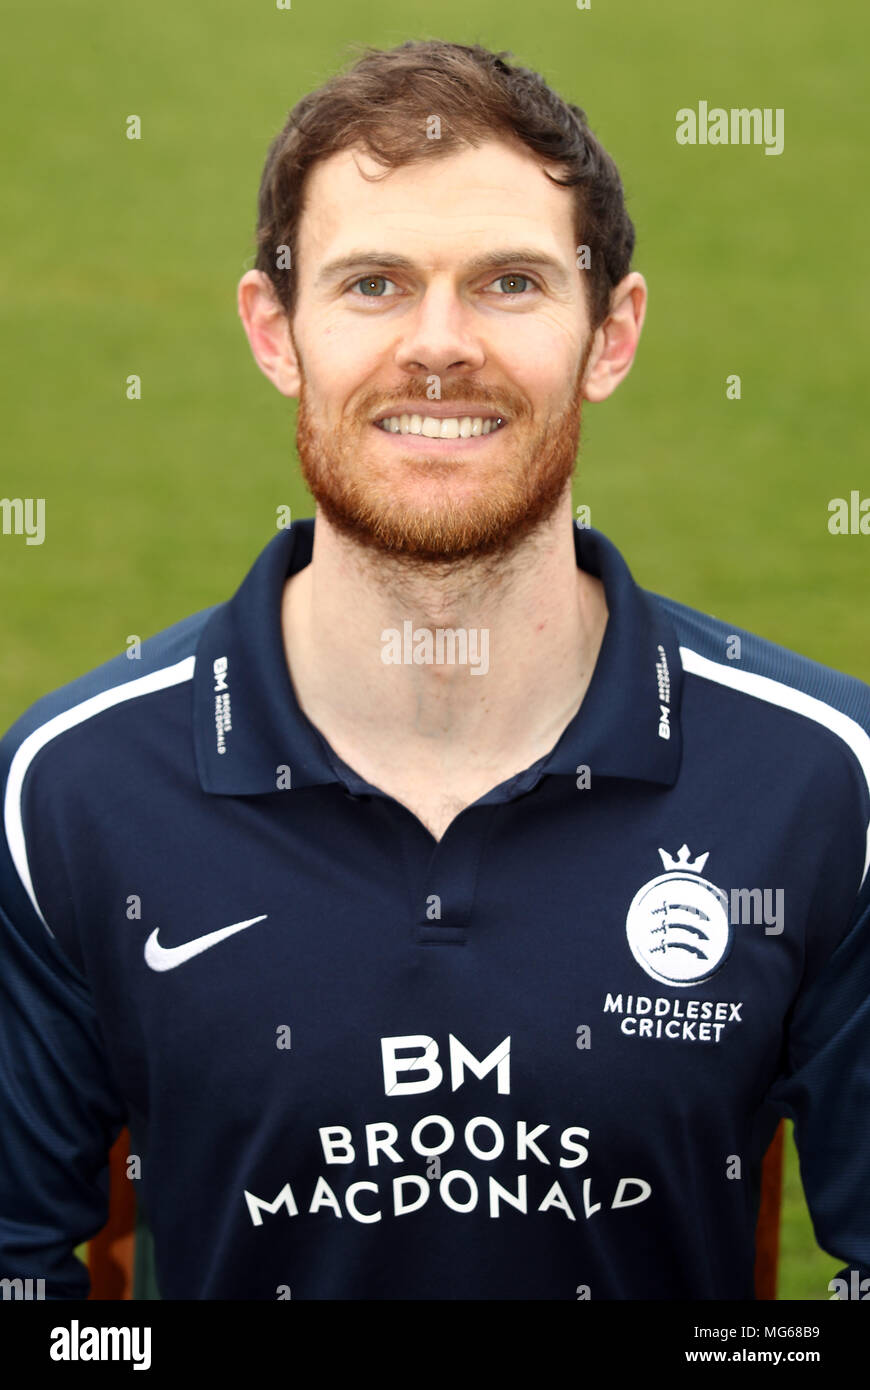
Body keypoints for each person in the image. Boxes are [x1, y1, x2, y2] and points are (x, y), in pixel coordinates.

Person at [1, 38, 868, 1301]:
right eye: (373, 285)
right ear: (275, 332)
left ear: (611, 333)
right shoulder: (69, 792)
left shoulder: (821, 783)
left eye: (510, 282)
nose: (439, 344)